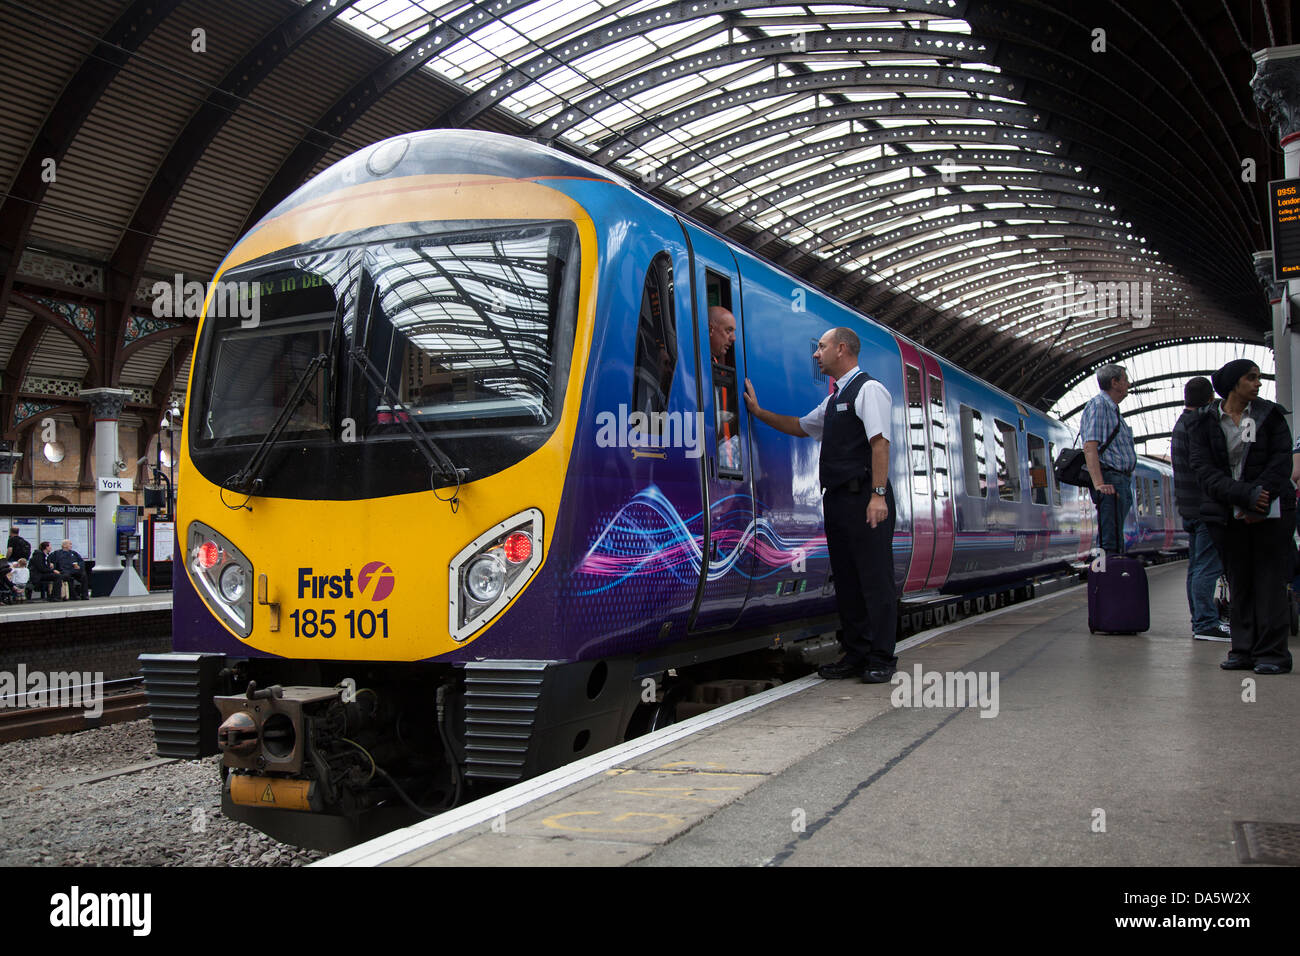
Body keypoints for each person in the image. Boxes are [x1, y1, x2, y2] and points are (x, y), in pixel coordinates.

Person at [744, 326, 897, 682]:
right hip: (839, 500)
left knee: (874, 580)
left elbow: (880, 444)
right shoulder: (833, 402)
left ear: (842, 349)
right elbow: (799, 426)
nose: (816, 354)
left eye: (822, 347)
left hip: (865, 498)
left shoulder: (869, 390)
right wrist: (758, 411)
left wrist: (877, 495)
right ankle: (856, 654)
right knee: (847, 579)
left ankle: (881, 658)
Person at [1189, 359, 1294, 675]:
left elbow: (1281, 463)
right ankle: (1243, 650)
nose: (1258, 384)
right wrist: (1242, 497)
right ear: (1234, 383)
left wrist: (1258, 500)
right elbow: (1203, 470)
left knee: (1270, 582)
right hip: (1226, 513)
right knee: (1239, 582)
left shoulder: (1271, 416)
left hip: (1271, 512)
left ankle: (1273, 654)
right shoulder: (1204, 422)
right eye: (1251, 378)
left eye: (1259, 378)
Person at [1171, 376, 1230, 641]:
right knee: (1207, 567)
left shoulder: (1181, 424)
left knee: (1196, 567)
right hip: (1206, 506)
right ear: (1210, 400)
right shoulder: (1199, 426)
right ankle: (1206, 623)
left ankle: (1201, 621)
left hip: (1190, 508)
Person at [1080, 363, 1136, 554]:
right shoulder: (1100, 405)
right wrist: (1099, 484)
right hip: (1110, 480)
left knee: (1114, 536)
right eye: (1125, 380)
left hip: (1118, 480)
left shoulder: (1111, 409)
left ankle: (1112, 576)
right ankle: (1108, 578)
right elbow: (1090, 446)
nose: (1128, 384)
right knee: (1110, 541)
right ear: (1115, 382)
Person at [708, 306, 741, 470]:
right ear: (710, 329)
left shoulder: (714, 364)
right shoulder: (701, 365)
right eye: (728, 330)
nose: (733, 338)